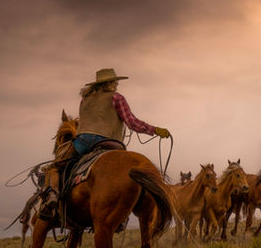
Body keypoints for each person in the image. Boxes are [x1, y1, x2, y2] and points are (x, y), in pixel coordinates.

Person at [38, 68, 171, 221]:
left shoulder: (85, 100)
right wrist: (155, 130)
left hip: (83, 142)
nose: (117, 84)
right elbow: (132, 122)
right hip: (110, 143)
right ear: (110, 83)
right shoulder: (117, 98)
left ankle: (52, 195)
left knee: (57, 166)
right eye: (115, 81)